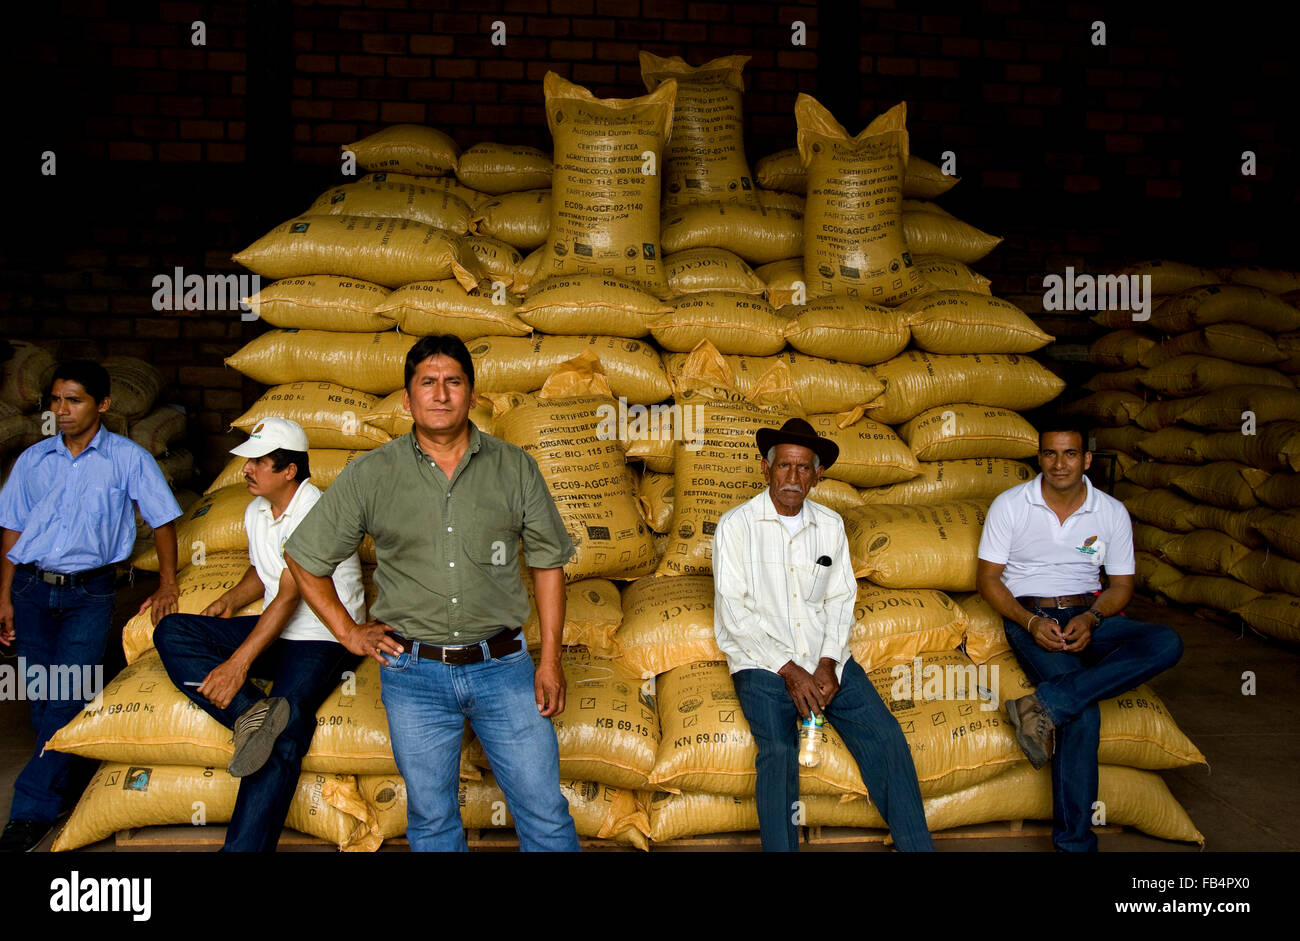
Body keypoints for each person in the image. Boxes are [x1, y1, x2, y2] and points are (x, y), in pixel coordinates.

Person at [282, 334, 579, 852]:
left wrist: (549, 658)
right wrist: (348, 632)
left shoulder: (515, 467)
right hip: (413, 674)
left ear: (471, 393)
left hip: (504, 666)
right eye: (428, 382)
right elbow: (305, 558)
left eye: (453, 382)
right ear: (407, 398)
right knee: (433, 821)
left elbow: (548, 563)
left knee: (545, 813)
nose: (441, 394)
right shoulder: (371, 474)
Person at [713, 417, 934, 852]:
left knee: (886, 736)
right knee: (777, 753)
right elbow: (734, 613)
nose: (792, 478)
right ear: (765, 468)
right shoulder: (735, 527)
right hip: (763, 663)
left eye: (802, 469)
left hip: (826, 661)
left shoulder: (831, 525)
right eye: (783, 467)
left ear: (818, 476)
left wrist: (829, 662)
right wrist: (790, 670)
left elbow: (841, 600)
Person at [152, 417, 365, 852]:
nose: (246, 470)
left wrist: (237, 664)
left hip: (324, 638)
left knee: (284, 737)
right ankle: (253, 716)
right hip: (278, 631)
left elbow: (289, 596)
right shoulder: (256, 510)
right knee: (172, 630)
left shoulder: (316, 511)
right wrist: (231, 599)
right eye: (247, 462)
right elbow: (261, 570)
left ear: (290, 470)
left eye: (258, 462)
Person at [976, 416, 1183, 852]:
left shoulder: (1110, 512)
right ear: (1039, 457)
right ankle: (1075, 845)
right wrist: (1030, 622)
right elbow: (989, 580)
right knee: (1083, 715)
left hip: (1091, 613)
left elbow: (1122, 586)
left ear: (1086, 459)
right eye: (1050, 453)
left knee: (1166, 642)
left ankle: (1045, 704)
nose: (1059, 464)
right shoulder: (1011, 505)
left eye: (1070, 454)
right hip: (1032, 618)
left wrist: (1092, 619)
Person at [0, 360, 182, 852]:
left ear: (102, 405)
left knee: (65, 695)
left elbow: (163, 522)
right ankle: (72, 782)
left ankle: (29, 810)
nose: (62, 410)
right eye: (56, 400)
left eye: (74, 400)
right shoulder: (33, 461)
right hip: (32, 590)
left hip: (90, 593)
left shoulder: (128, 459)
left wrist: (168, 584)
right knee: (42, 698)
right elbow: (12, 530)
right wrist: (4, 597)